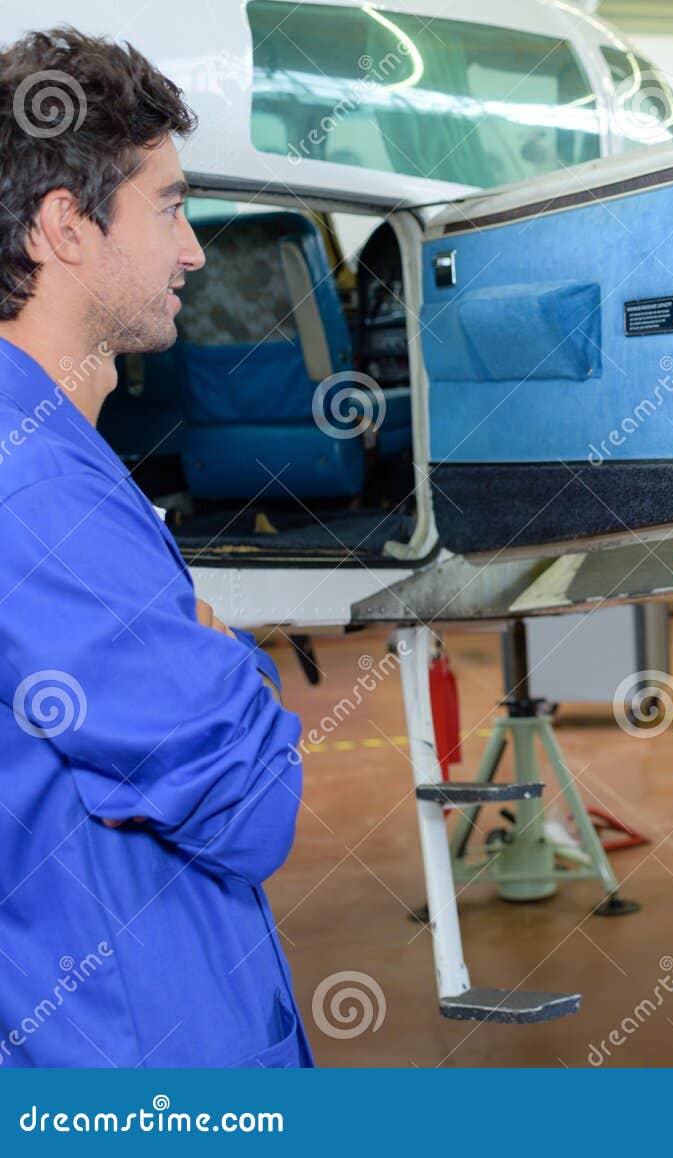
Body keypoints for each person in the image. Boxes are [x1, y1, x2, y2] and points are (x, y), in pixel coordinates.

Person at [0, 28, 310, 1066]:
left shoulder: (48, 451)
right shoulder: (35, 488)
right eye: (169, 206)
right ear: (64, 228)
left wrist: (200, 647)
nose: (195, 250)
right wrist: (222, 651)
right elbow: (252, 804)